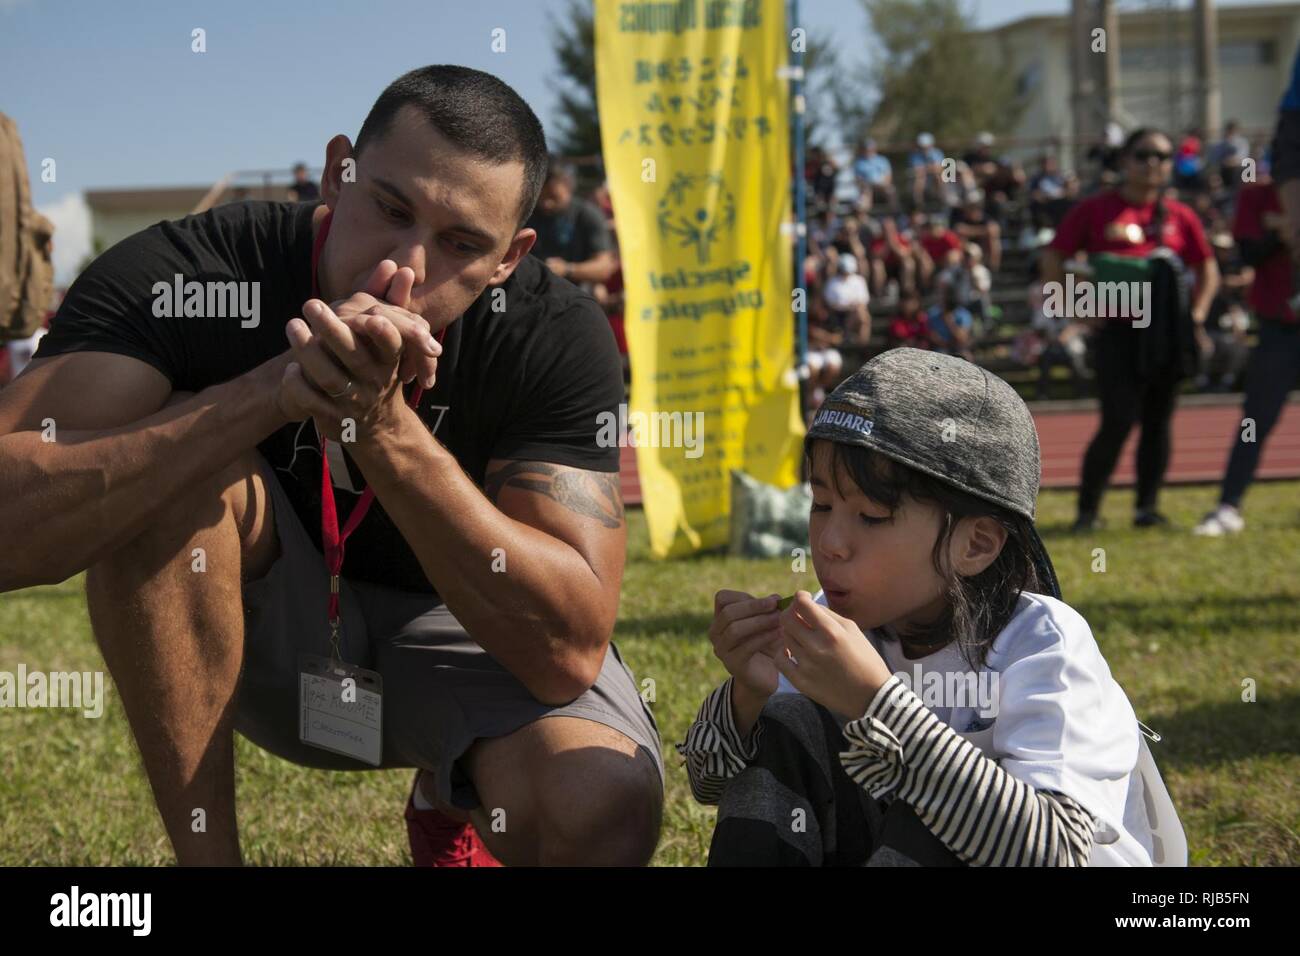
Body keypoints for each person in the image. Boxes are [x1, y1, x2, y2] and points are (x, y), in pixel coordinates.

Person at [0, 65, 664, 867]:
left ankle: (450, 788)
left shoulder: (554, 333)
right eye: (390, 209)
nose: (409, 266)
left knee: (602, 805)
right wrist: (267, 395)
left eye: (461, 244)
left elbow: (566, 651)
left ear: (511, 258)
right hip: (259, 640)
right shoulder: (192, 276)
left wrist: (382, 427)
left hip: (459, 640)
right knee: (177, 486)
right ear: (336, 171)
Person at [676, 349, 1173, 866]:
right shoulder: (839, 630)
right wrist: (746, 699)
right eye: (822, 505)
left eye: (871, 515)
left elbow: (1051, 852)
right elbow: (709, 783)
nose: (830, 542)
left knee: (943, 802)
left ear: (976, 544)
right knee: (789, 721)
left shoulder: (1044, 646)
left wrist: (877, 703)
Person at [1041, 128, 1220, 531]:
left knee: (1159, 420)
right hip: (1118, 332)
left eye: (1162, 155)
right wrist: (1073, 309)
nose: (1153, 163)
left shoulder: (1180, 216)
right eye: (1143, 155)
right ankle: (1087, 513)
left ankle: (1147, 509)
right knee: (1118, 419)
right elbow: (1054, 257)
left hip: (1166, 335)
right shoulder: (1095, 210)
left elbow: (1207, 267)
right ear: (1124, 161)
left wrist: (1198, 313)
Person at [1194, 175, 1300, 536]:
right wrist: (1285, 229)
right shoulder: (1257, 195)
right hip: (1280, 327)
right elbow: (1250, 252)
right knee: (1256, 421)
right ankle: (1229, 505)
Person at [525, 157, 616, 287]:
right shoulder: (529, 213)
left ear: (568, 186)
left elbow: (604, 268)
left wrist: (567, 269)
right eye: (540, 196)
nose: (546, 204)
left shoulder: (587, 215)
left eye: (553, 197)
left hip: (575, 296)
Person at [821, 253, 871, 346]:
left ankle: (862, 344)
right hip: (838, 314)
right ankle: (846, 336)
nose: (846, 274)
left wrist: (851, 306)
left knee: (863, 316)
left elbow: (863, 301)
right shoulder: (832, 282)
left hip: (854, 313)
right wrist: (848, 305)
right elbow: (830, 303)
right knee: (860, 313)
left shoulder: (859, 280)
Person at [852, 139, 894, 214]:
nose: (869, 151)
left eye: (870, 149)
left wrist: (884, 184)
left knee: (891, 191)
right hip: (866, 186)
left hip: (882, 184)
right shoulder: (859, 163)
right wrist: (864, 185)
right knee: (863, 198)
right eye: (867, 149)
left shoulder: (882, 160)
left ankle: (893, 213)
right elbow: (857, 179)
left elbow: (888, 176)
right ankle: (868, 214)